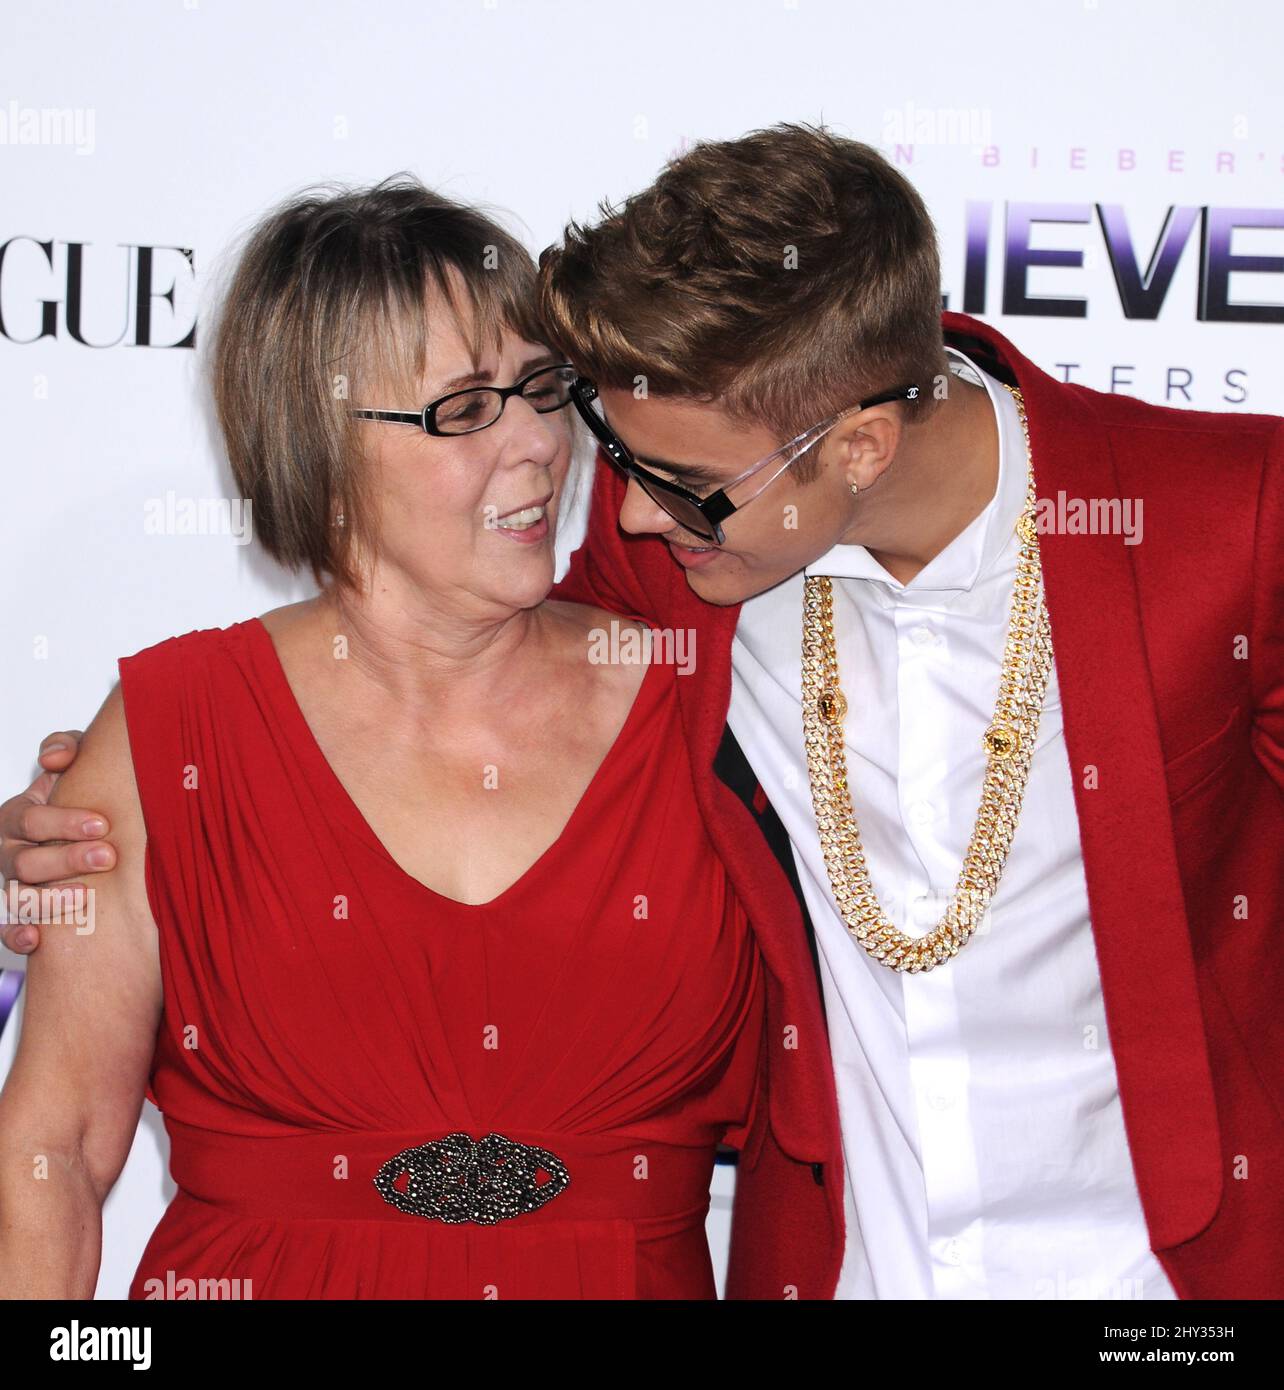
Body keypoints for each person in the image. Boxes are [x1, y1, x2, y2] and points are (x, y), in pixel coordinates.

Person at [7, 125, 1283, 1302]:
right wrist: (55, 853)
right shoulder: (684, 592)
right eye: (467, 412)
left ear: (859, 451)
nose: (610, 507)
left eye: (550, 396)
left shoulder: (1224, 524)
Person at [0, 177, 767, 1300]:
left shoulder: (708, 693)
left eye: (544, 388)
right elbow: (50, 1154)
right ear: (320, 443)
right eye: (464, 409)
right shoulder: (174, 728)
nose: (539, 446)